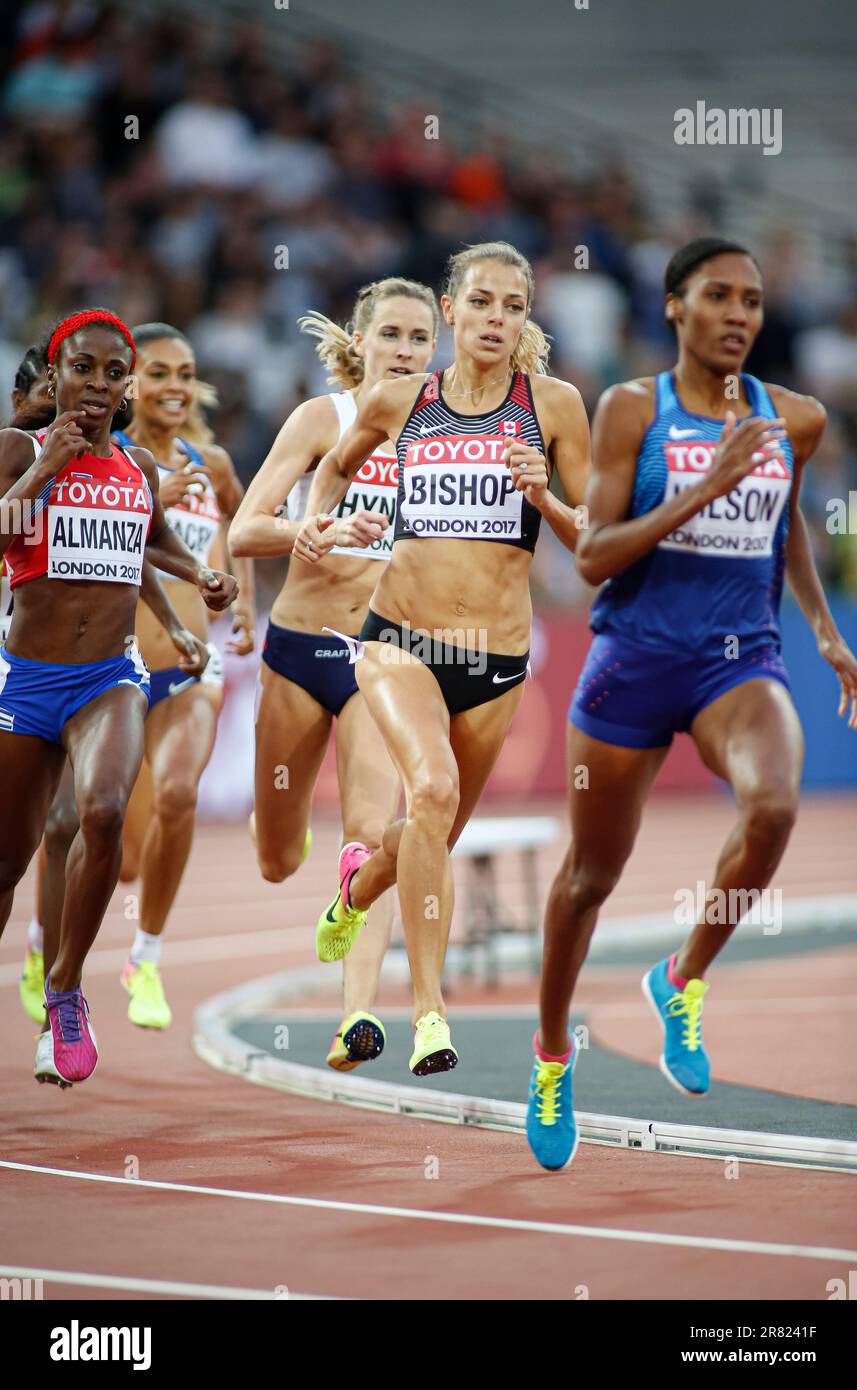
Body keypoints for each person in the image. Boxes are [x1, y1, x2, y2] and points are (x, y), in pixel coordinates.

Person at [527, 237, 857, 1170]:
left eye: (753, 301)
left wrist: (823, 626)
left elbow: (786, 515)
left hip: (736, 660)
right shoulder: (632, 407)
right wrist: (704, 487)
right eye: (718, 296)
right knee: (590, 878)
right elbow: (593, 554)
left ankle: (682, 980)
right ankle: (553, 1055)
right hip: (631, 661)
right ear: (675, 308)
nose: (739, 315)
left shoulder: (793, 418)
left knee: (776, 803)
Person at [293, 242, 590, 1076]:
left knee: (431, 833)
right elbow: (337, 466)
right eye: (482, 303)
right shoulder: (399, 398)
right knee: (429, 790)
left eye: (514, 307)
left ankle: (353, 894)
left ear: (526, 320)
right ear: (450, 310)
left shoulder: (555, 406)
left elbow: (597, 538)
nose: (497, 319)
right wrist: (317, 521)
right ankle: (429, 1015)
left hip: (496, 662)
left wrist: (548, 500)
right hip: (399, 640)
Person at [0, 308, 237, 1087]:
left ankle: (65, 991)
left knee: (102, 812)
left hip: (109, 676)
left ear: (124, 384)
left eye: (111, 373)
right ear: (57, 374)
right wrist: (43, 469)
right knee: (8, 862)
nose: (97, 386)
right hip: (25, 681)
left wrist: (197, 576)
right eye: (82, 370)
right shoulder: (19, 450)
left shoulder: (135, 470)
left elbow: (154, 542)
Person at [229, 278, 438, 1069]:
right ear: (360, 344)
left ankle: (356, 1017)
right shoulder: (325, 419)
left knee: (371, 838)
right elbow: (244, 530)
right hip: (299, 648)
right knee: (279, 859)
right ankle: (275, 822)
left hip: (381, 660)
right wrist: (310, 530)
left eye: (421, 338)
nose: (407, 351)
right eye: (392, 335)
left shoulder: (446, 431)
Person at [110, 323, 255, 1029]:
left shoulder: (214, 464)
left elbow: (246, 528)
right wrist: (160, 499)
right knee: (119, 856)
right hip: (112, 673)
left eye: (184, 373)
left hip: (192, 668)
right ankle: (46, 948)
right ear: (126, 383)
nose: (173, 386)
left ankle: (146, 955)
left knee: (177, 794)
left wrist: (246, 606)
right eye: (157, 373)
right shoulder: (106, 461)